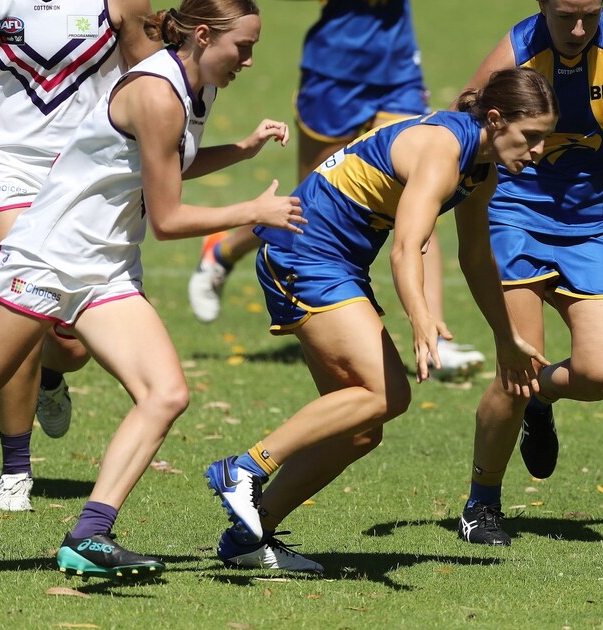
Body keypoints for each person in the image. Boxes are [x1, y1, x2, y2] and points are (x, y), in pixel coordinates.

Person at [0, 0, 305, 578]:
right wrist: (253, 210)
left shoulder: (197, 87)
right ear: (202, 35)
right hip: (45, 258)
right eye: (243, 47)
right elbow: (168, 220)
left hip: (107, 268)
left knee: (165, 393)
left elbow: (162, 163)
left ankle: (89, 535)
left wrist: (240, 151)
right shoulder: (156, 93)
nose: (248, 60)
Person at [202, 67, 558, 573]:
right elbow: (406, 249)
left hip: (334, 262)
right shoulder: (442, 153)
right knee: (386, 394)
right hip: (304, 252)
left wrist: (508, 338)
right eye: (532, 136)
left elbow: (477, 260)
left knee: (360, 429)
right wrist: (421, 318)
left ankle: (248, 536)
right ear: (496, 120)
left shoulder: (481, 167)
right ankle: (243, 470)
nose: (539, 150)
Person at [454, 0, 603, 546]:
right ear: (542, 6)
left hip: (591, 224)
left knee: (601, 375)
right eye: (565, 17)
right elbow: (465, 115)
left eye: (588, 14)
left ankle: (541, 397)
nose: (578, 29)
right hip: (515, 213)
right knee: (516, 369)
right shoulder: (514, 51)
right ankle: (481, 503)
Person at [187, 0, 488, 377]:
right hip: (336, 65)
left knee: (424, 190)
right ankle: (224, 250)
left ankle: (435, 340)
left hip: (396, 66)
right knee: (312, 199)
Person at [0, 0, 160, 511]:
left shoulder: (122, 3)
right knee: (21, 303)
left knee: (71, 346)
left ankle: (53, 372)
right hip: (10, 167)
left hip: (91, 173)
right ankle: (15, 467)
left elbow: (150, 84)